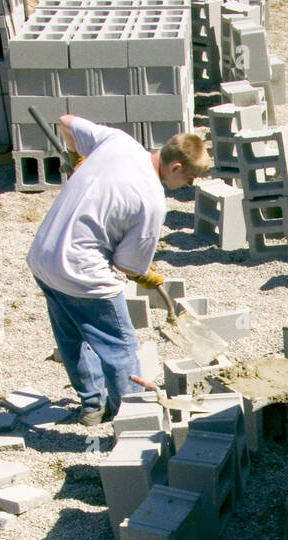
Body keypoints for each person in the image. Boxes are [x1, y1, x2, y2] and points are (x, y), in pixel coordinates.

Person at [26, 116, 210, 425]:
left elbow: (65, 122)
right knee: (120, 349)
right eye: (189, 179)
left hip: (43, 257)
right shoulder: (151, 200)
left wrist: (78, 157)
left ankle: (91, 406)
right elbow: (127, 265)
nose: (188, 186)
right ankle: (131, 422)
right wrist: (146, 275)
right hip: (82, 274)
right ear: (176, 167)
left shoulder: (118, 142)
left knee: (72, 337)